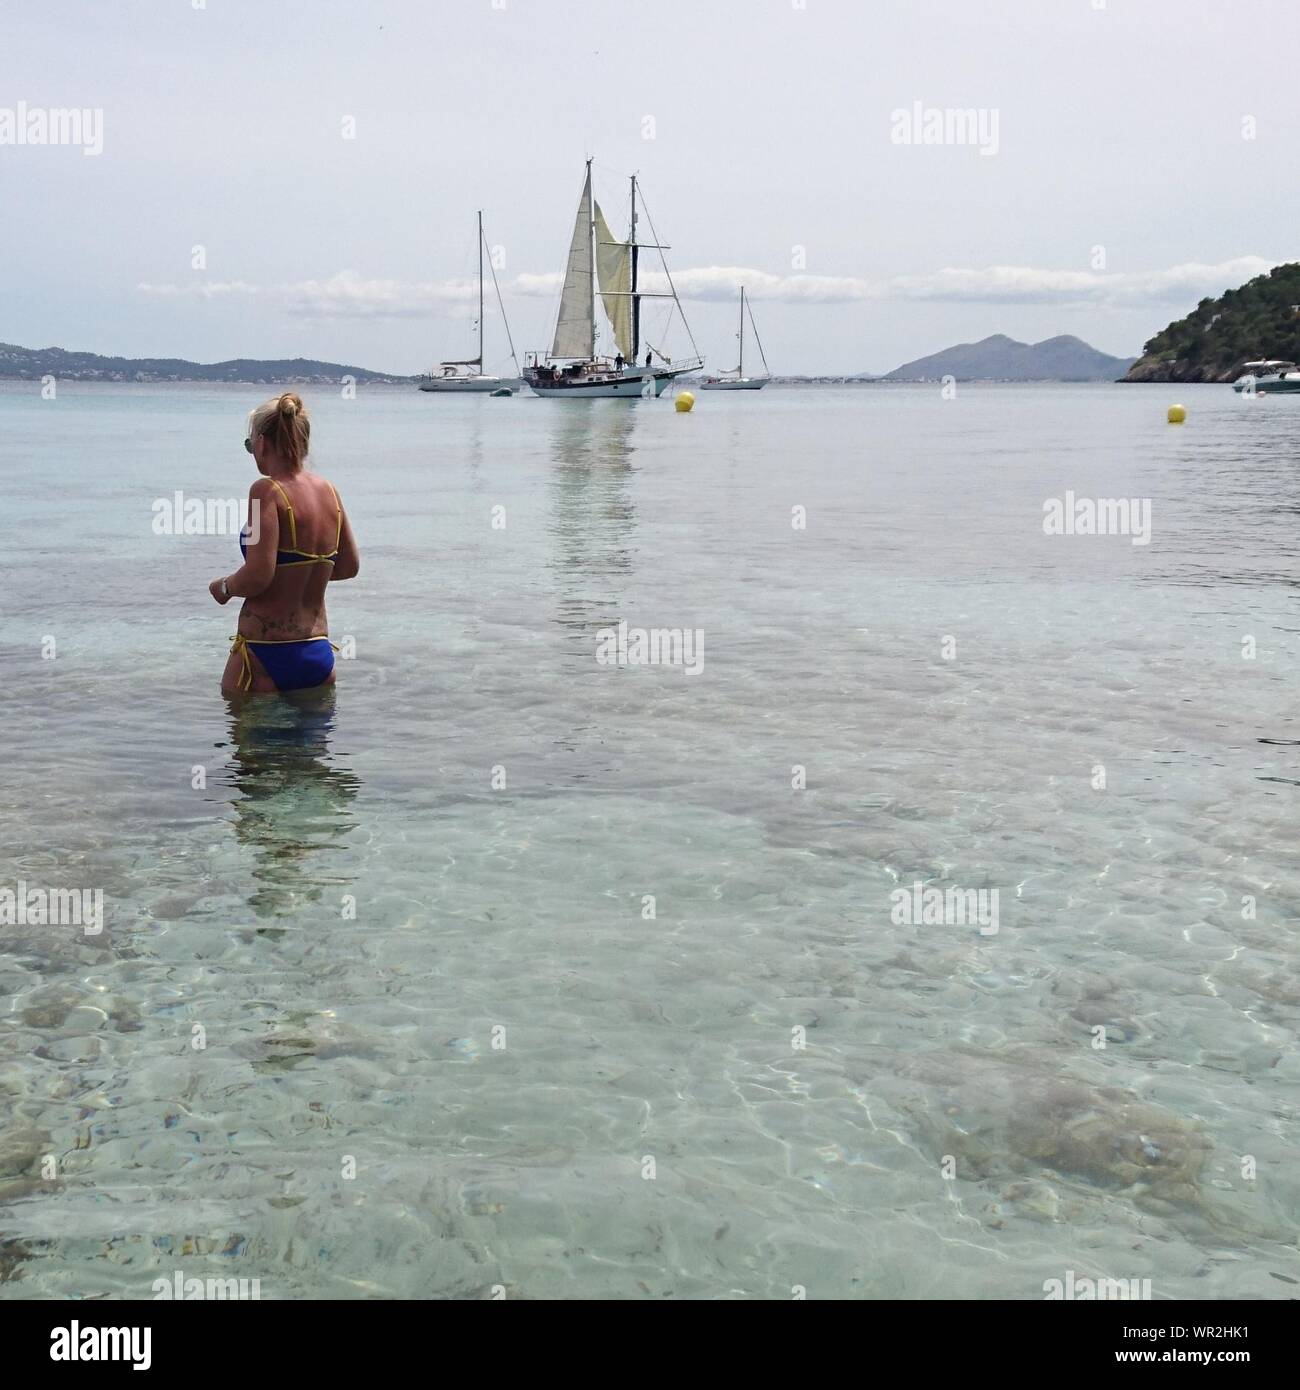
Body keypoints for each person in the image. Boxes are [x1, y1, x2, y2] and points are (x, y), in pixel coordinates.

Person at [210, 392, 359, 694]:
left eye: (250, 445)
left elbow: (258, 575)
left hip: (264, 653)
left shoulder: (264, 491)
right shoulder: (329, 491)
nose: (253, 453)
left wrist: (224, 587)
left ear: (263, 443)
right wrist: (301, 575)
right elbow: (348, 566)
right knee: (311, 742)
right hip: (317, 654)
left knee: (250, 741)